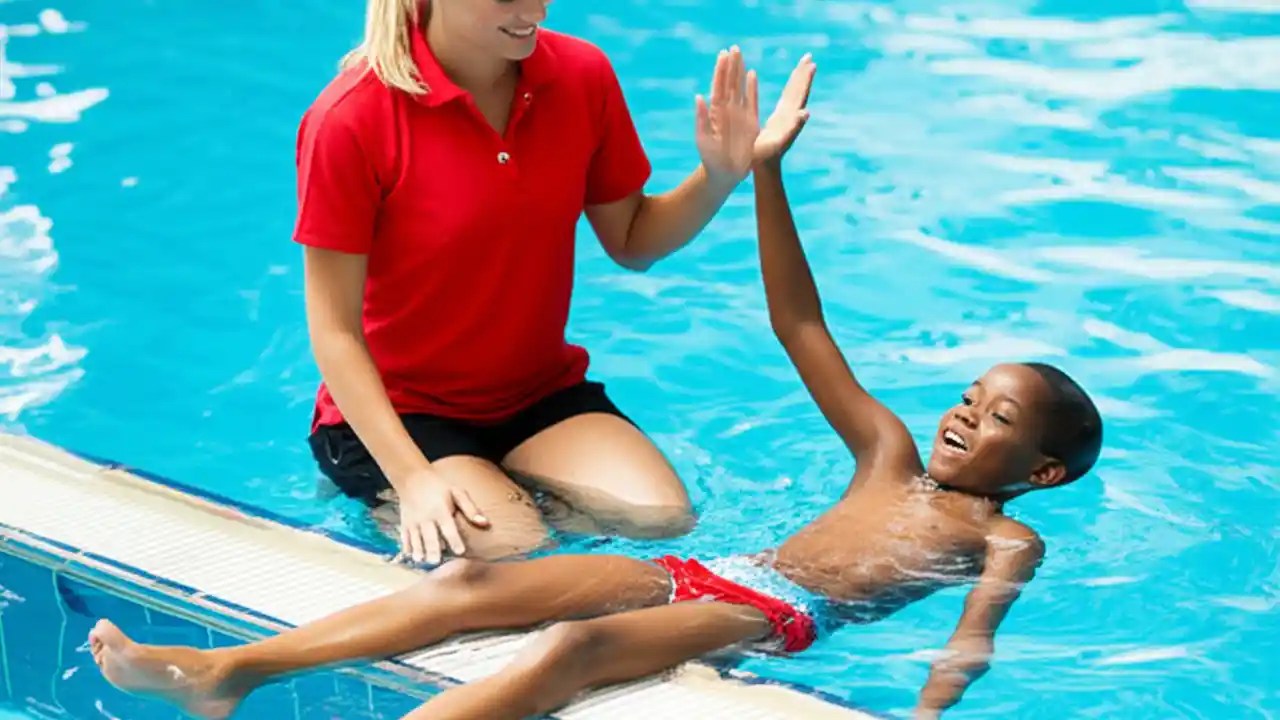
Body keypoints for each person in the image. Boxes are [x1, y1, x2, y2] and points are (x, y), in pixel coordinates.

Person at [88, 55, 1103, 719]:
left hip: (773, 613)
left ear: (1044, 471)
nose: (964, 412)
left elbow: (970, 644)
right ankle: (232, 672)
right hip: (720, 569)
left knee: (569, 649)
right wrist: (762, 174)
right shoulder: (883, 453)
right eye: (969, 394)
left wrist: (926, 710)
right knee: (475, 587)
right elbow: (799, 323)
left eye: (997, 416)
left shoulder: (1006, 538)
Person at [296, 0, 762, 564]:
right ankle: (390, 498)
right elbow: (334, 330)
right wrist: (413, 479)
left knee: (662, 522)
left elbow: (634, 241)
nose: (535, 9)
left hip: (537, 395)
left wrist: (718, 177)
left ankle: (500, 491)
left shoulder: (581, 75)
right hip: (403, 415)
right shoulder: (351, 119)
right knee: (518, 553)